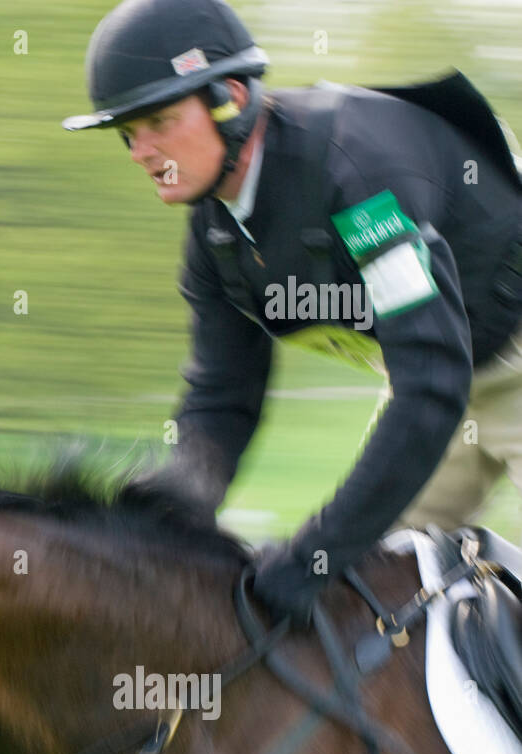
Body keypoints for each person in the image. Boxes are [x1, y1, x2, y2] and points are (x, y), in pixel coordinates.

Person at [63, 0, 522, 626]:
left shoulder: (354, 177)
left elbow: (432, 384)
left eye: (160, 121)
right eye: (127, 132)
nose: (141, 151)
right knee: (373, 607)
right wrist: (161, 522)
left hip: (470, 373)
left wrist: (313, 554)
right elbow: (223, 399)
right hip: (446, 383)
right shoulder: (215, 236)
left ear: (231, 97)